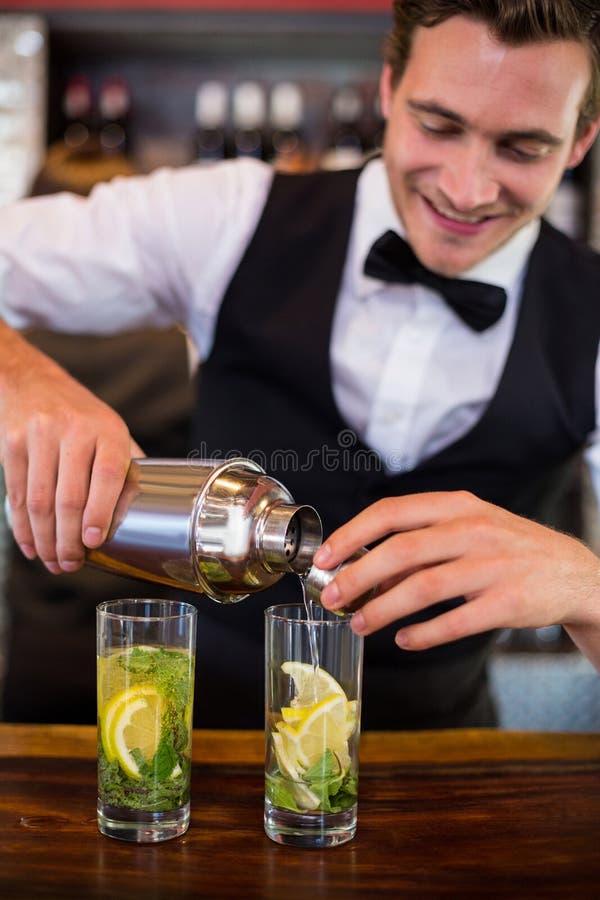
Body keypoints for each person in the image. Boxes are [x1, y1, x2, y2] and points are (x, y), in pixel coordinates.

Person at [1, 0, 600, 728]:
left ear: (580, 141)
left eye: (522, 148)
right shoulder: (229, 216)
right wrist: (20, 378)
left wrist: (586, 588)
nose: (466, 188)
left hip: (445, 769)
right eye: (438, 125)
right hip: (200, 742)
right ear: (387, 90)